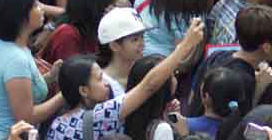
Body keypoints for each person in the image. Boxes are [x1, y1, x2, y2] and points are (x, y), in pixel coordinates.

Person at [47, 18, 204, 140]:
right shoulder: (99, 116)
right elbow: (148, 86)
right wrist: (185, 46)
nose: (106, 83)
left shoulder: (57, 124)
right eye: (100, 79)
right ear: (83, 90)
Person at [0, 0, 65, 140]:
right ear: (19, 15)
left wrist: (50, 77)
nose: (41, 8)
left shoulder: (4, 44)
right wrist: (64, 95)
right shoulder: (16, 60)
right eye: (35, 5)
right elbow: (26, 117)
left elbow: (23, 88)